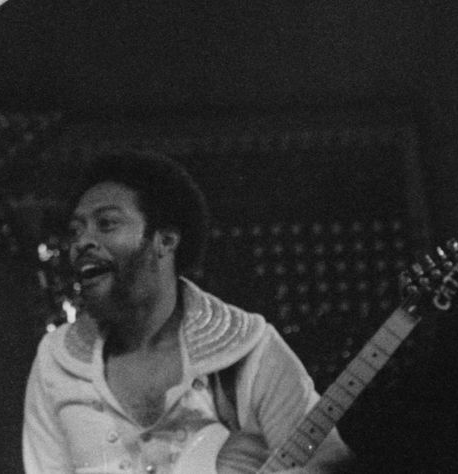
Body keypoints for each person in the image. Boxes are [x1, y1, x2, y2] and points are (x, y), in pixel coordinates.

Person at [23, 151, 353, 474]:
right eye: (76, 231)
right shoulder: (56, 362)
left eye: (106, 223)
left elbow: (326, 462)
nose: (82, 242)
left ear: (165, 240)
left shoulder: (249, 349)